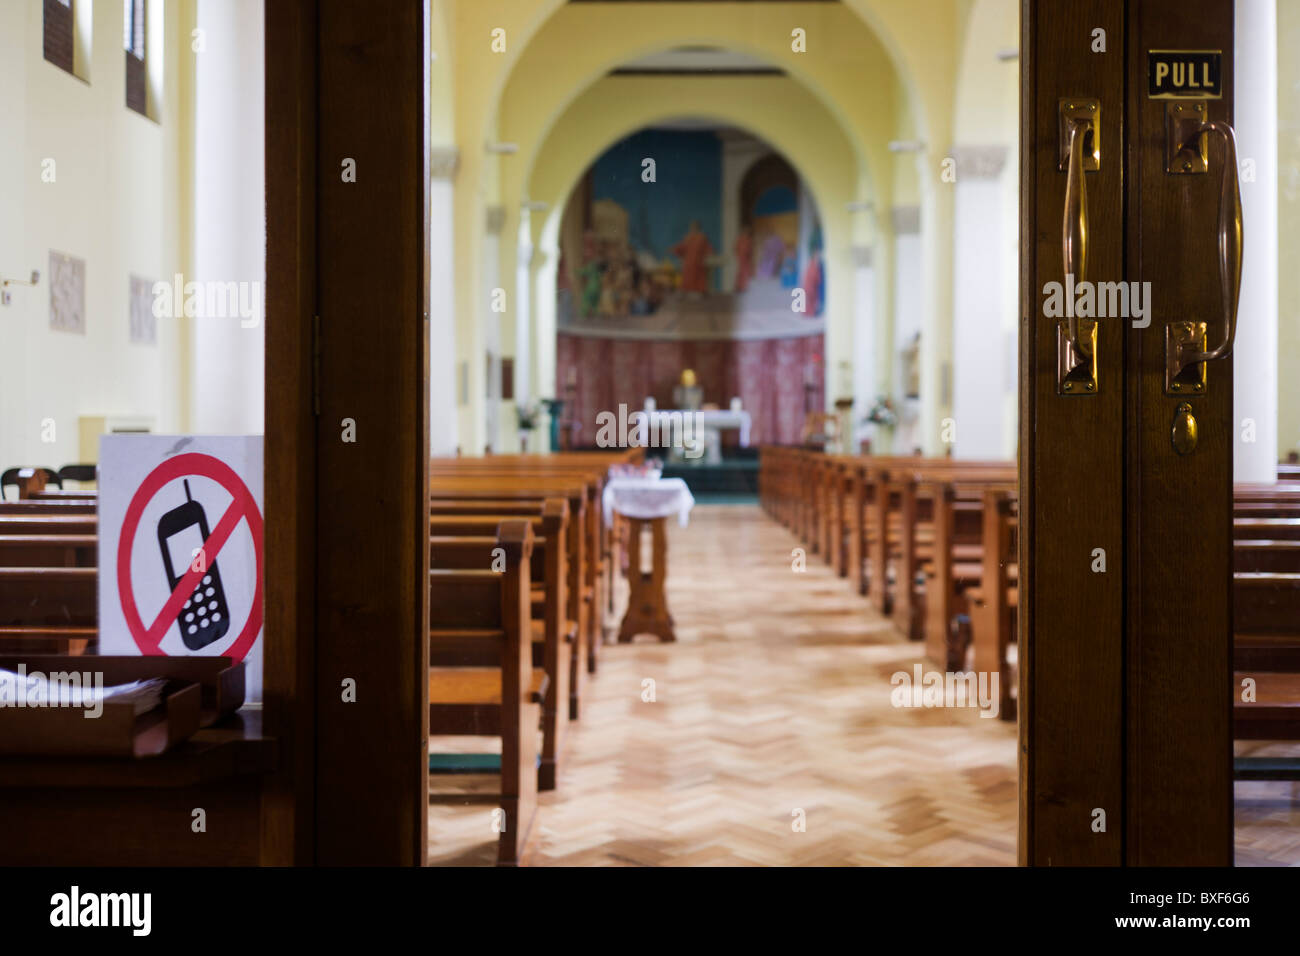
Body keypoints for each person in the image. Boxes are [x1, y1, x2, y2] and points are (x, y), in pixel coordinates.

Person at [671, 220, 714, 295]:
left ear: (697, 228)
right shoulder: (689, 237)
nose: (693, 229)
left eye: (694, 227)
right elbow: (682, 248)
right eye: (692, 227)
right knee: (689, 278)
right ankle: (688, 292)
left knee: (697, 278)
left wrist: (709, 255)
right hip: (690, 263)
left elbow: (708, 249)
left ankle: (699, 292)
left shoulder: (700, 237)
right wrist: (675, 249)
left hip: (696, 262)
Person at [734, 224, 754, 293]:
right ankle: (740, 287)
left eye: (747, 232)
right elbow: (736, 248)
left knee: (746, 272)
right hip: (741, 259)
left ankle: (745, 287)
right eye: (745, 231)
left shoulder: (749, 240)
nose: (746, 233)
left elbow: (750, 250)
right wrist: (739, 255)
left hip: (747, 259)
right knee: (741, 272)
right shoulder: (740, 239)